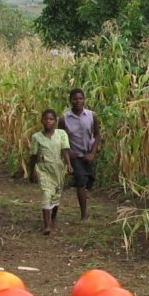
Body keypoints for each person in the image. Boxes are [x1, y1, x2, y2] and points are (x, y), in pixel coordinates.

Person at [27, 109, 72, 234]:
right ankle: (46, 225)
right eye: (46, 119)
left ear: (55, 121)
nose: (48, 121)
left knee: (57, 194)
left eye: (51, 119)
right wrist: (31, 172)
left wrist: (68, 164)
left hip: (58, 168)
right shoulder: (37, 137)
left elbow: (64, 150)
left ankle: (53, 217)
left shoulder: (61, 134)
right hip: (43, 168)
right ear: (42, 120)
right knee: (47, 193)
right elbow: (34, 156)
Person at [59, 88, 100, 220]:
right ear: (70, 101)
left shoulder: (91, 116)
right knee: (82, 181)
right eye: (75, 99)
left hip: (88, 154)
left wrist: (92, 153)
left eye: (80, 98)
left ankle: (75, 181)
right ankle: (84, 214)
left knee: (89, 181)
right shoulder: (65, 118)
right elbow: (60, 137)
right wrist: (68, 153)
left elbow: (97, 135)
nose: (78, 101)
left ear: (84, 100)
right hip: (75, 155)